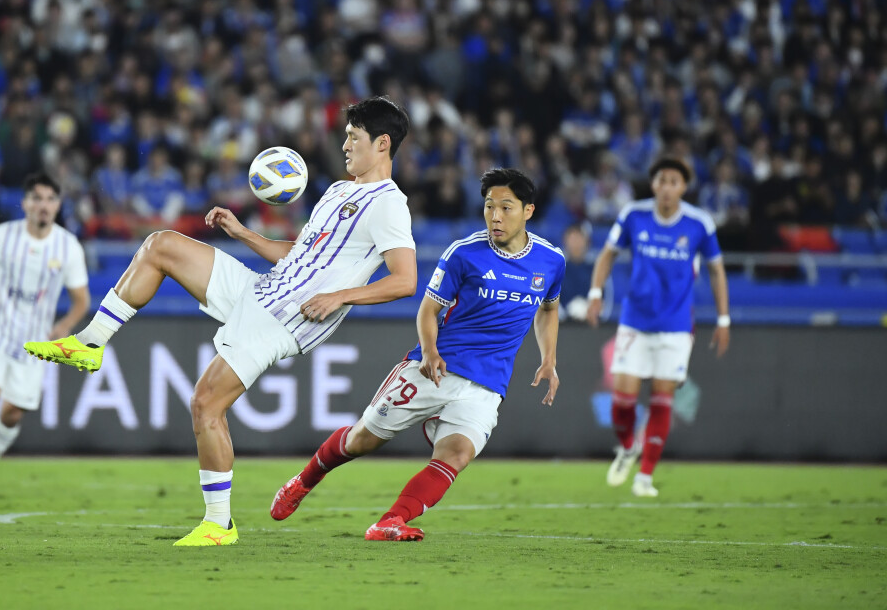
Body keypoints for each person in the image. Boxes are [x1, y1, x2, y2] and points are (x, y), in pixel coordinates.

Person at [25, 96, 417, 546]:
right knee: (161, 246)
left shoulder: (389, 204)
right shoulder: (339, 191)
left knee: (205, 403)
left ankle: (218, 525)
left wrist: (338, 297)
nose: (345, 144)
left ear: (382, 144)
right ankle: (91, 343)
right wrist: (244, 234)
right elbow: (302, 255)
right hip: (263, 288)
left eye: (354, 137)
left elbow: (405, 280)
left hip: (285, 317)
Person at [270, 168, 564, 541]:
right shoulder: (464, 254)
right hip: (435, 368)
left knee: (456, 455)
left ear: (529, 211)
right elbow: (428, 310)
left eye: (506, 208)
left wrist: (549, 359)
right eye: (489, 206)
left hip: (488, 382)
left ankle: (390, 521)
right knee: (363, 439)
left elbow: (549, 309)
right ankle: (303, 480)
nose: (495, 216)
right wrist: (429, 351)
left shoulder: (551, 261)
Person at [586, 157, 731, 497]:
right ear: (653, 185)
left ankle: (645, 477)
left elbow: (716, 269)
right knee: (622, 402)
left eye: (674, 181)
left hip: (676, 327)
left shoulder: (699, 223)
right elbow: (607, 253)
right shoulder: (633, 215)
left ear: (684, 187)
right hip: (635, 321)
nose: (667, 187)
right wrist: (595, 293)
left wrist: (724, 319)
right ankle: (627, 447)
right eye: (662, 180)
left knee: (663, 399)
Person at [0, 172, 90, 491]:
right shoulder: (1, 237)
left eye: (51, 199)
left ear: (58, 205)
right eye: (37, 198)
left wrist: (64, 326)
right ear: (25, 203)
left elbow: (81, 300)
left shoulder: (68, 247)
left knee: (13, 413)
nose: (44, 205)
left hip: (34, 342)